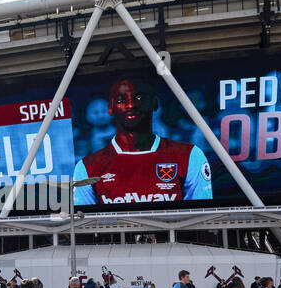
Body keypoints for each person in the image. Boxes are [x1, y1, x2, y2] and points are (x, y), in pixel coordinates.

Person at [72, 77, 212, 205]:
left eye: (139, 98)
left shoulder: (190, 155)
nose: (130, 105)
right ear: (110, 109)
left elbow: (203, 219)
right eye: (121, 100)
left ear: (155, 104)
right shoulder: (86, 167)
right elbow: (84, 227)